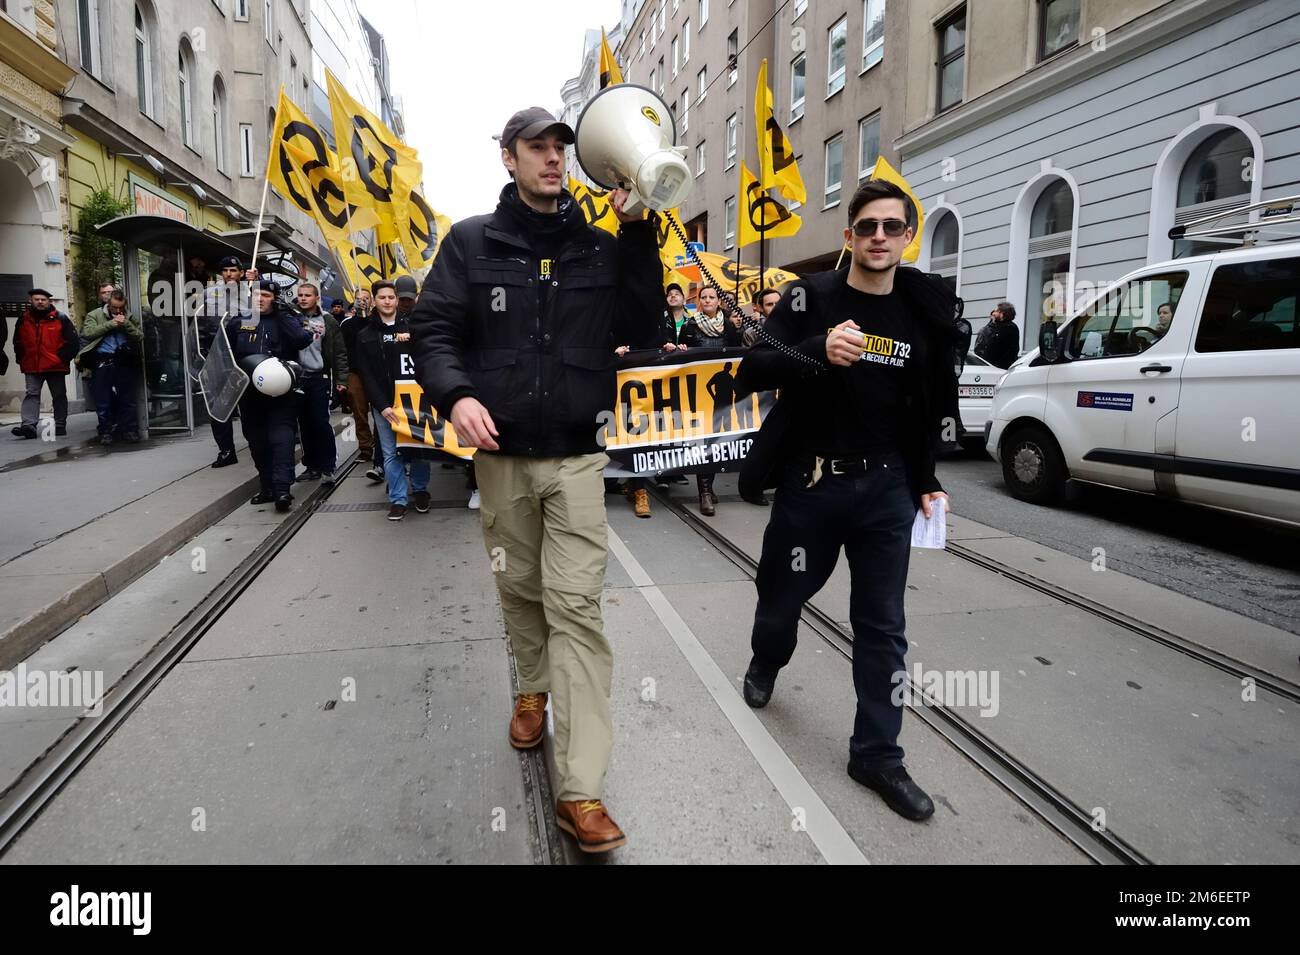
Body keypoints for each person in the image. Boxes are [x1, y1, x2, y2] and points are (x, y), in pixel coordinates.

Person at [412, 106, 661, 853]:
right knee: (520, 590)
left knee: (577, 608)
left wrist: (641, 228)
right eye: (538, 147)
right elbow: (433, 330)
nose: (553, 158)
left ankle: (580, 790)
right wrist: (456, 394)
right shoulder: (468, 243)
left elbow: (646, 322)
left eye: (561, 147)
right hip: (502, 458)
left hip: (579, 457)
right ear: (509, 158)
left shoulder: (597, 246)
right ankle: (531, 683)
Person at [735, 178, 963, 823]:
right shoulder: (814, 297)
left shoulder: (922, 307)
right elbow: (752, 368)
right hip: (812, 486)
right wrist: (815, 351)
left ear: (907, 236)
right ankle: (767, 657)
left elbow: (923, 405)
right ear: (850, 236)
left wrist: (926, 478)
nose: (881, 238)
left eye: (893, 227)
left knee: (883, 626)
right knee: (782, 597)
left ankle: (877, 756)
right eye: (868, 227)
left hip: (886, 491)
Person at [227, 280, 312, 512]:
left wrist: (284, 315)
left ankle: (282, 488)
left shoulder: (285, 320)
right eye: (257, 294)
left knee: (281, 439)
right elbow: (224, 354)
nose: (261, 298)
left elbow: (302, 340)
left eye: (266, 295)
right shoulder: (237, 322)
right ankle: (267, 487)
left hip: (281, 393)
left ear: (274, 298)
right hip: (249, 393)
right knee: (256, 441)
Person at [355, 281, 431, 521]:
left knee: (419, 450)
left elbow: (429, 359)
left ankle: (420, 490)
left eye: (391, 297)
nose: (387, 301)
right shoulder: (365, 335)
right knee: (391, 454)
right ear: (374, 301)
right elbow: (366, 375)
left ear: (397, 300)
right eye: (382, 297)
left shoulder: (414, 327)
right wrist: (382, 405)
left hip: (414, 401)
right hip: (385, 405)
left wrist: (414, 340)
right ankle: (398, 499)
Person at [291, 282, 348, 485]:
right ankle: (311, 466)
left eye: (308, 295)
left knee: (320, 423)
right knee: (304, 425)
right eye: (300, 295)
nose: (303, 298)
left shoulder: (328, 321)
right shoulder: (290, 317)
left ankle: (328, 466)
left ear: (317, 298)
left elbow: (340, 353)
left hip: (318, 378)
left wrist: (341, 380)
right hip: (296, 379)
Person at [202, 256, 254, 467]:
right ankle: (226, 450)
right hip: (219, 355)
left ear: (241, 273)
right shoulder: (210, 294)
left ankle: (256, 443)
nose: (229, 274)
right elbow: (202, 323)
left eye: (233, 270)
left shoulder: (253, 292)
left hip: (244, 355)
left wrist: (253, 285)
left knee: (249, 406)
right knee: (219, 406)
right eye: (225, 271)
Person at [77, 289, 143, 444]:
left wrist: (125, 323)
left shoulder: (129, 316)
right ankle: (105, 431)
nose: (118, 311)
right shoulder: (95, 315)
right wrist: (110, 324)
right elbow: (88, 333)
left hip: (124, 361)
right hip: (102, 361)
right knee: (103, 400)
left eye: (121, 308)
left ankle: (130, 430)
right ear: (108, 304)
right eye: (114, 307)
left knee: (128, 399)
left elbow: (139, 335)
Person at [12, 289, 78, 439]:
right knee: (32, 394)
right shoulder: (23, 318)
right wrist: (21, 357)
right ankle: (28, 425)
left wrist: (62, 359)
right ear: (31, 301)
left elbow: (73, 342)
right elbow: (17, 341)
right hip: (31, 365)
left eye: (43, 299)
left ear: (49, 301)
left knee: (59, 395)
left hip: (55, 366)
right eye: (37, 299)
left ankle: (60, 424)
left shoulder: (60, 318)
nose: (40, 302)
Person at [338, 288, 381, 483]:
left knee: (381, 411)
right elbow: (342, 350)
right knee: (359, 410)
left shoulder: (376, 321)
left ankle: (381, 446)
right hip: (355, 373)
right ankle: (365, 447)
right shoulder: (347, 324)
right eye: (358, 299)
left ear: (371, 302)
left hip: (376, 372)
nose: (362, 302)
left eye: (365, 299)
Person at [973, 301, 1020, 369]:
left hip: (999, 368)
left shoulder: (1010, 328)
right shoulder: (994, 325)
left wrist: (996, 367)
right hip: (987, 366)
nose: (993, 313)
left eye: (997, 311)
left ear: (1002, 314)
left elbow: (1009, 352)